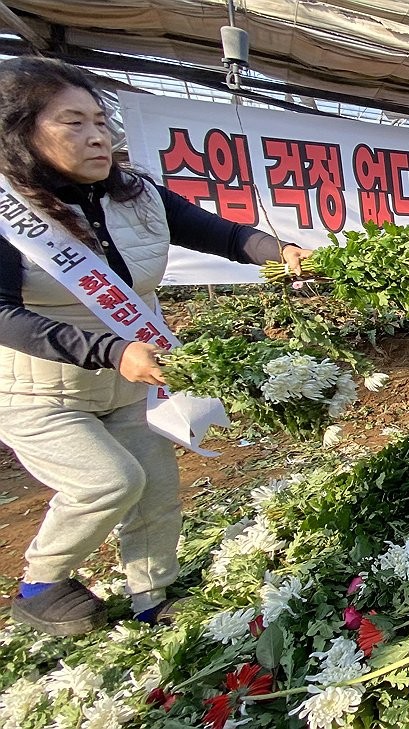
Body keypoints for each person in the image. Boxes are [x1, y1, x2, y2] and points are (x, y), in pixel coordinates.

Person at [0, 57, 311, 635]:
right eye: (72, 124)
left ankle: (154, 595)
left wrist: (281, 252)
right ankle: (41, 582)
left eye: (99, 120)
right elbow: (2, 315)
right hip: (38, 387)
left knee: (156, 489)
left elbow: (222, 234)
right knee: (108, 482)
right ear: (21, 134)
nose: (97, 136)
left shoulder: (134, 195)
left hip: (129, 379)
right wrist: (112, 351)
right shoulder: (9, 216)